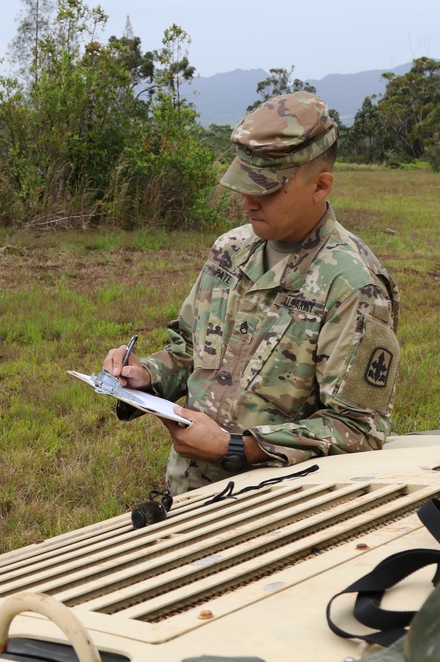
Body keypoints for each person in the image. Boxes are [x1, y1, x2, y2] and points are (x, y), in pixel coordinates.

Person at [102, 91, 400, 495]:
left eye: (267, 189)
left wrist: (239, 448)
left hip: (275, 506)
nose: (246, 201)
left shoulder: (352, 286)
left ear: (321, 186)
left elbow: (358, 429)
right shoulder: (231, 250)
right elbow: (189, 349)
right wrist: (146, 375)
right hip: (189, 492)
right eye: (243, 184)